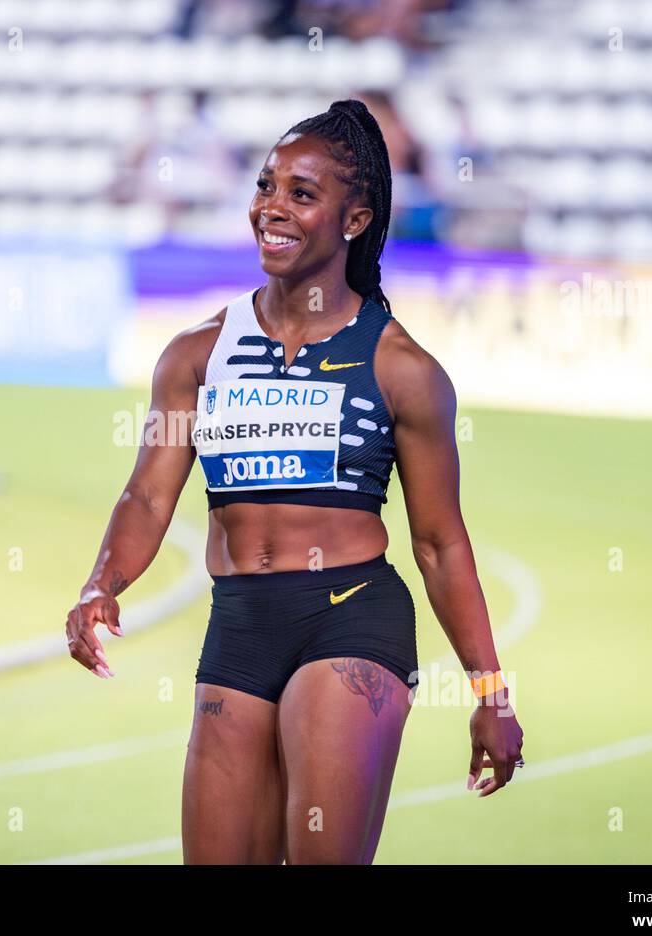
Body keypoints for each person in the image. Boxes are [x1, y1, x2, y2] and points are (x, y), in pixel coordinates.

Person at [65, 99, 524, 864]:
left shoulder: (403, 371)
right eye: (266, 185)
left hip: (350, 620)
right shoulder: (194, 355)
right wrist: (99, 582)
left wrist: (490, 693)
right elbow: (147, 494)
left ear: (354, 219)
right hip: (239, 625)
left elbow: (441, 544)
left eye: (301, 194)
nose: (271, 208)